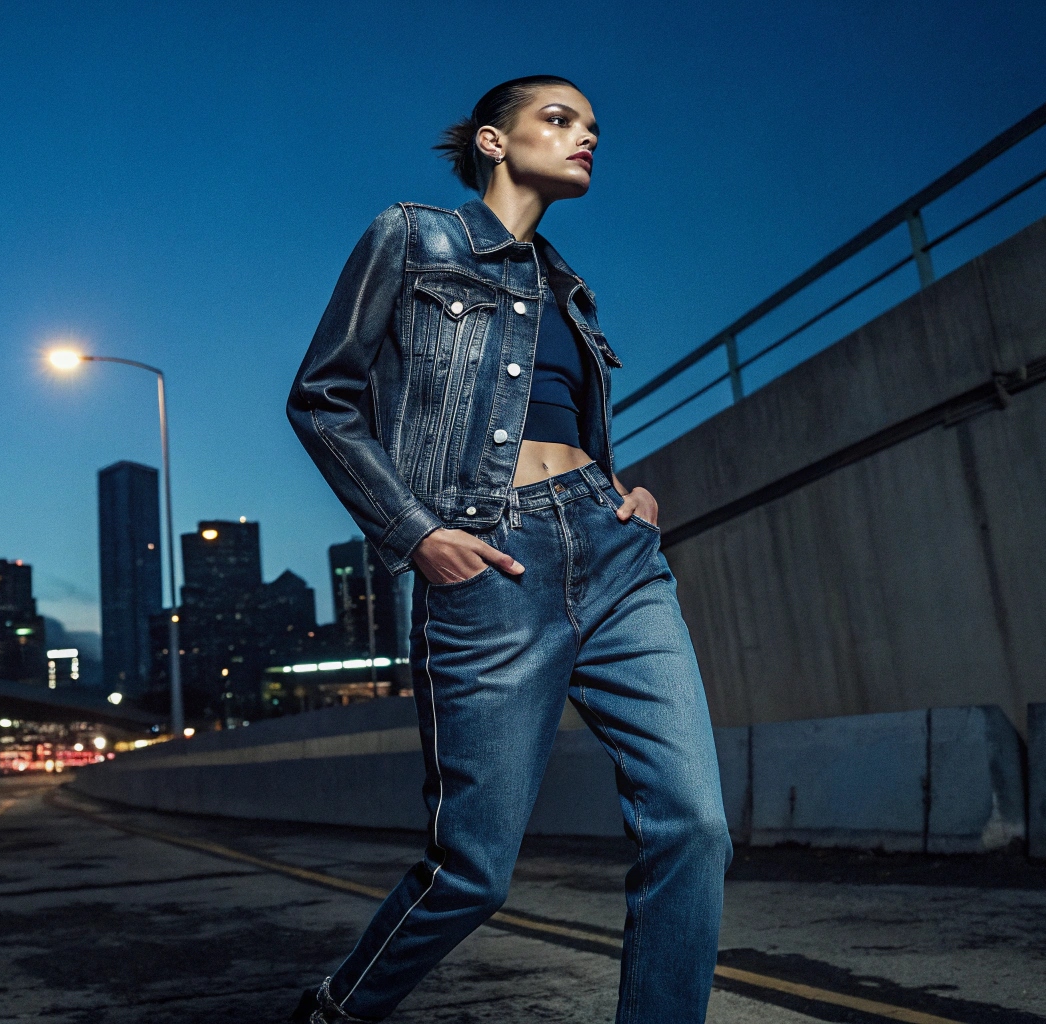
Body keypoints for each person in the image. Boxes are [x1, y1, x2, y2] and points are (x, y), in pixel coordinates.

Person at [284, 75, 732, 1023]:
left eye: (595, 129)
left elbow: (568, 423)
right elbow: (322, 397)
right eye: (560, 120)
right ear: (493, 140)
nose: (586, 140)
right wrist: (418, 535)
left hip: (618, 556)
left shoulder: (571, 292)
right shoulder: (414, 237)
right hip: (491, 563)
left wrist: (626, 487)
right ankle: (339, 1011)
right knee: (474, 872)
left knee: (694, 825)